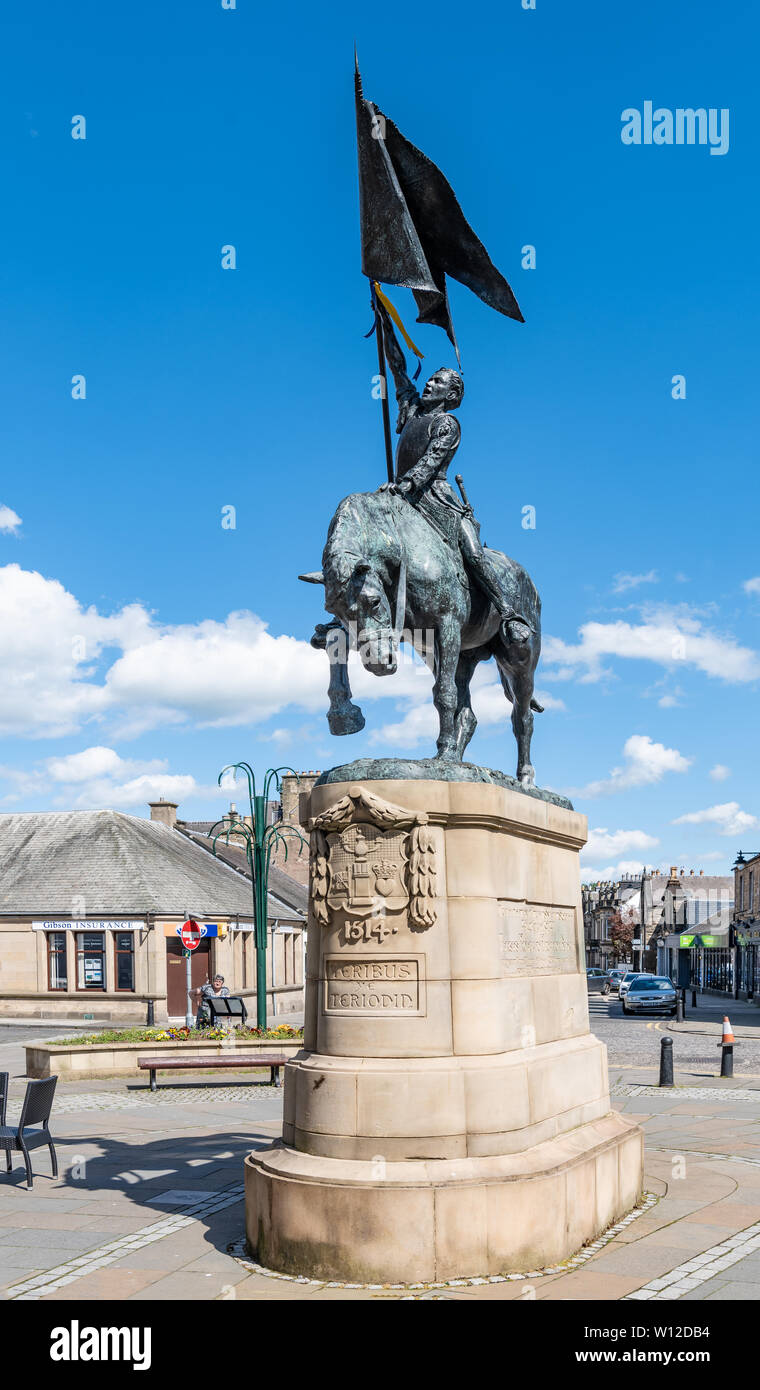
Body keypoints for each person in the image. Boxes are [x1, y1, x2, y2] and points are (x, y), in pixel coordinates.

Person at [375, 299, 532, 635]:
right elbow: (398, 367)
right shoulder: (413, 410)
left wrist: (404, 485)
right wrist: (384, 319)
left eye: (437, 382)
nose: (429, 384)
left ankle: (507, 613)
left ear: (452, 393)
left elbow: (430, 463)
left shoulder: (448, 424)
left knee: (474, 554)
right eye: (429, 379)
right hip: (401, 495)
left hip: (435, 499)